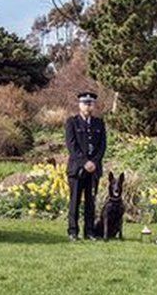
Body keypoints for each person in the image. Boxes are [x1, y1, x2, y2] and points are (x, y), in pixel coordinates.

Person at [64, 91, 107, 241]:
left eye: (91, 104)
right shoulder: (72, 122)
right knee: (75, 201)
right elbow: (72, 146)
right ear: (79, 105)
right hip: (77, 169)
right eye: (85, 103)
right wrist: (85, 162)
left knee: (90, 202)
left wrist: (94, 162)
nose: (88, 106)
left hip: (93, 170)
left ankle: (89, 232)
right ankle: (73, 231)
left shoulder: (99, 123)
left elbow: (102, 146)